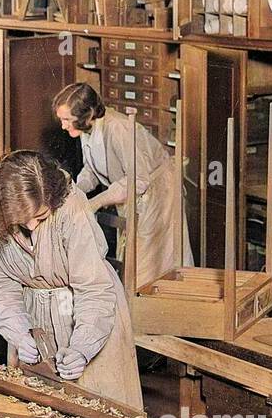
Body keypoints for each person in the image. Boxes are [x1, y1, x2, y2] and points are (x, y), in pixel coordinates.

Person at [0, 149, 142, 412]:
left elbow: (93, 289)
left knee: (104, 417)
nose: (32, 227)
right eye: (19, 222)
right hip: (33, 311)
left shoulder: (70, 204)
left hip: (91, 311)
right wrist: (20, 333)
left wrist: (83, 347)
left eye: (40, 217)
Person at [52, 82, 187, 286]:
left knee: (149, 263)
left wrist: (94, 203)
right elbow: (92, 169)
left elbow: (138, 180)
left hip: (157, 194)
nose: (63, 126)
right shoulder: (87, 129)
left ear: (87, 114)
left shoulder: (118, 129)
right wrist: (74, 192)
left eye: (67, 120)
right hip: (134, 194)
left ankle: (149, 312)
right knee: (131, 259)